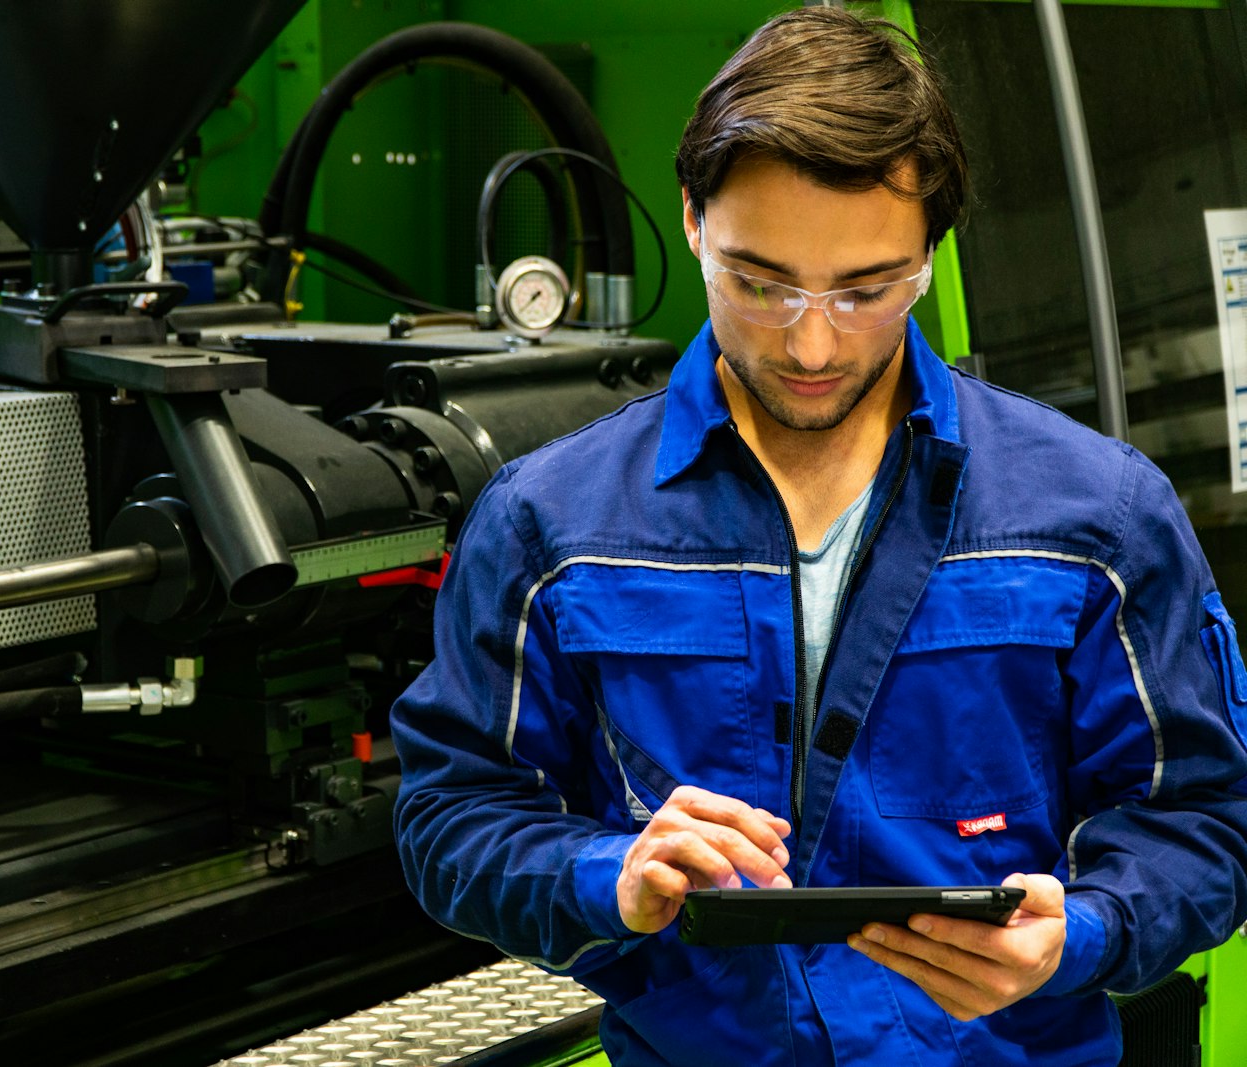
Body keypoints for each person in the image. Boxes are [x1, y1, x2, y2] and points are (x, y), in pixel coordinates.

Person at [390, 7, 1247, 1065]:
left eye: (865, 291)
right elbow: (454, 813)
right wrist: (611, 876)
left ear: (928, 254)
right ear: (693, 220)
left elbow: (1206, 819)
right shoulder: (550, 523)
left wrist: (1085, 930)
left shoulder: (1096, 514)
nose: (809, 343)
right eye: (760, 283)